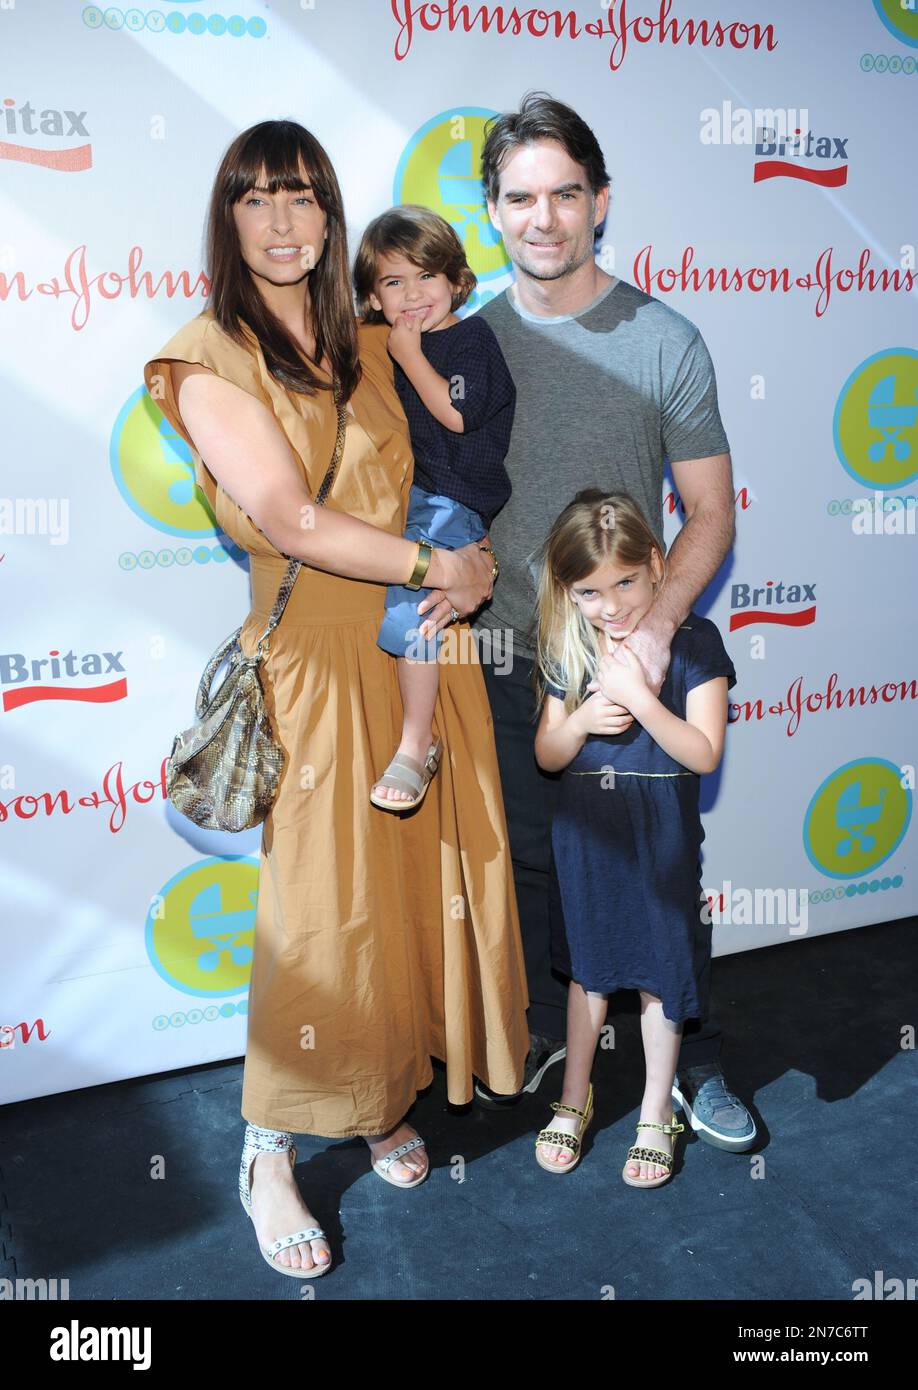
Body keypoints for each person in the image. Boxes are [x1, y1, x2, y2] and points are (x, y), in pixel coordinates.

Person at [143, 120, 530, 1278]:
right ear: (228, 216)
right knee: (319, 914)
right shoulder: (208, 351)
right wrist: (439, 570)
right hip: (316, 658)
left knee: (402, 896)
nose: (280, 221)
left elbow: (448, 480)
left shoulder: (372, 333)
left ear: (330, 213)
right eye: (255, 199)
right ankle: (268, 1149)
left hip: (414, 648)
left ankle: (371, 1095)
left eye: (302, 198)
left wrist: (469, 566)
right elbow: (291, 516)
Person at [439, 90, 755, 1150]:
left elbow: (709, 510)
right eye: (520, 197)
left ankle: (694, 1067)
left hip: (634, 651)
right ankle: (551, 1045)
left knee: (665, 869)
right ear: (491, 209)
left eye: (565, 194)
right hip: (513, 655)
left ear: (600, 201)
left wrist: (658, 628)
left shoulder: (666, 339)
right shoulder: (459, 348)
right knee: (537, 863)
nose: (544, 218)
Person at [528, 490, 736, 1186]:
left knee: (661, 976)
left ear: (657, 564)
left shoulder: (696, 643)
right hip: (586, 838)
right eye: (589, 591)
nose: (611, 605)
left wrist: (644, 698)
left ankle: (656, 1111)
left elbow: (704, 751)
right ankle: (572, 1099)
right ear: (568, 592)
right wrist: (584, 719)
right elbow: (548, 754)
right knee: (588, 973)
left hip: (662, 839)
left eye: (625, 582)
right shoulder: (568, 645)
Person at [351, 205, 516, 811]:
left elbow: (456, 412)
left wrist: (408, 353)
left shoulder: (470, 339)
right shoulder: (388, 342)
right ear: (372, 295)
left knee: (416, 606)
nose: (413, 295)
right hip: (413, 496)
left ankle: (415, 743)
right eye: (394, 282)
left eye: (427, 277)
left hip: (455, 500)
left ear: (455, 280)